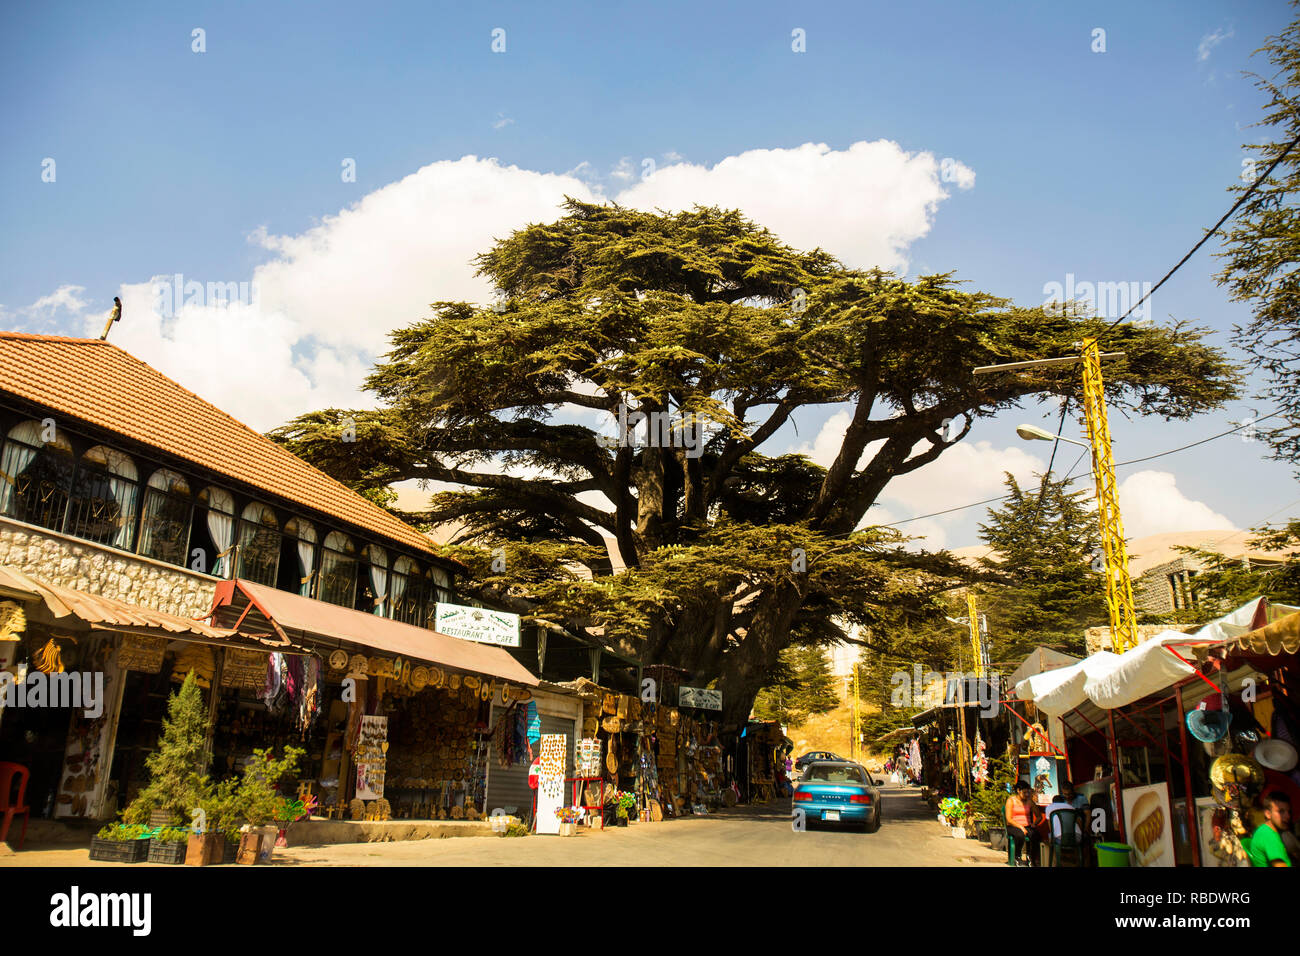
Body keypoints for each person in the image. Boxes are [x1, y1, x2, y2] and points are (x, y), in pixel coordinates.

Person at [1245, 791, 1293, 867]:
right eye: (1281, 811)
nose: (1287, 816)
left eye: (1288, 812)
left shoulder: (1263, 829)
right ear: (1268, 814)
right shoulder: (1270, 837)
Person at [1005, 781, 1045, 866]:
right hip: (1013, 825)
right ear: (1018, 790)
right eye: (1024, 792)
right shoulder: (1011, 800)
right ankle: (1017, 856)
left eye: (1028, 792)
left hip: (1027, 825)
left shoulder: (1029, 802)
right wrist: (1020, 827)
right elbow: (1008, 819)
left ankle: (1030, 857)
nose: (1027, 794)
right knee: (1020, 835)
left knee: (1036, 835)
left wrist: (1034, 824)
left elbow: (1039, 816)